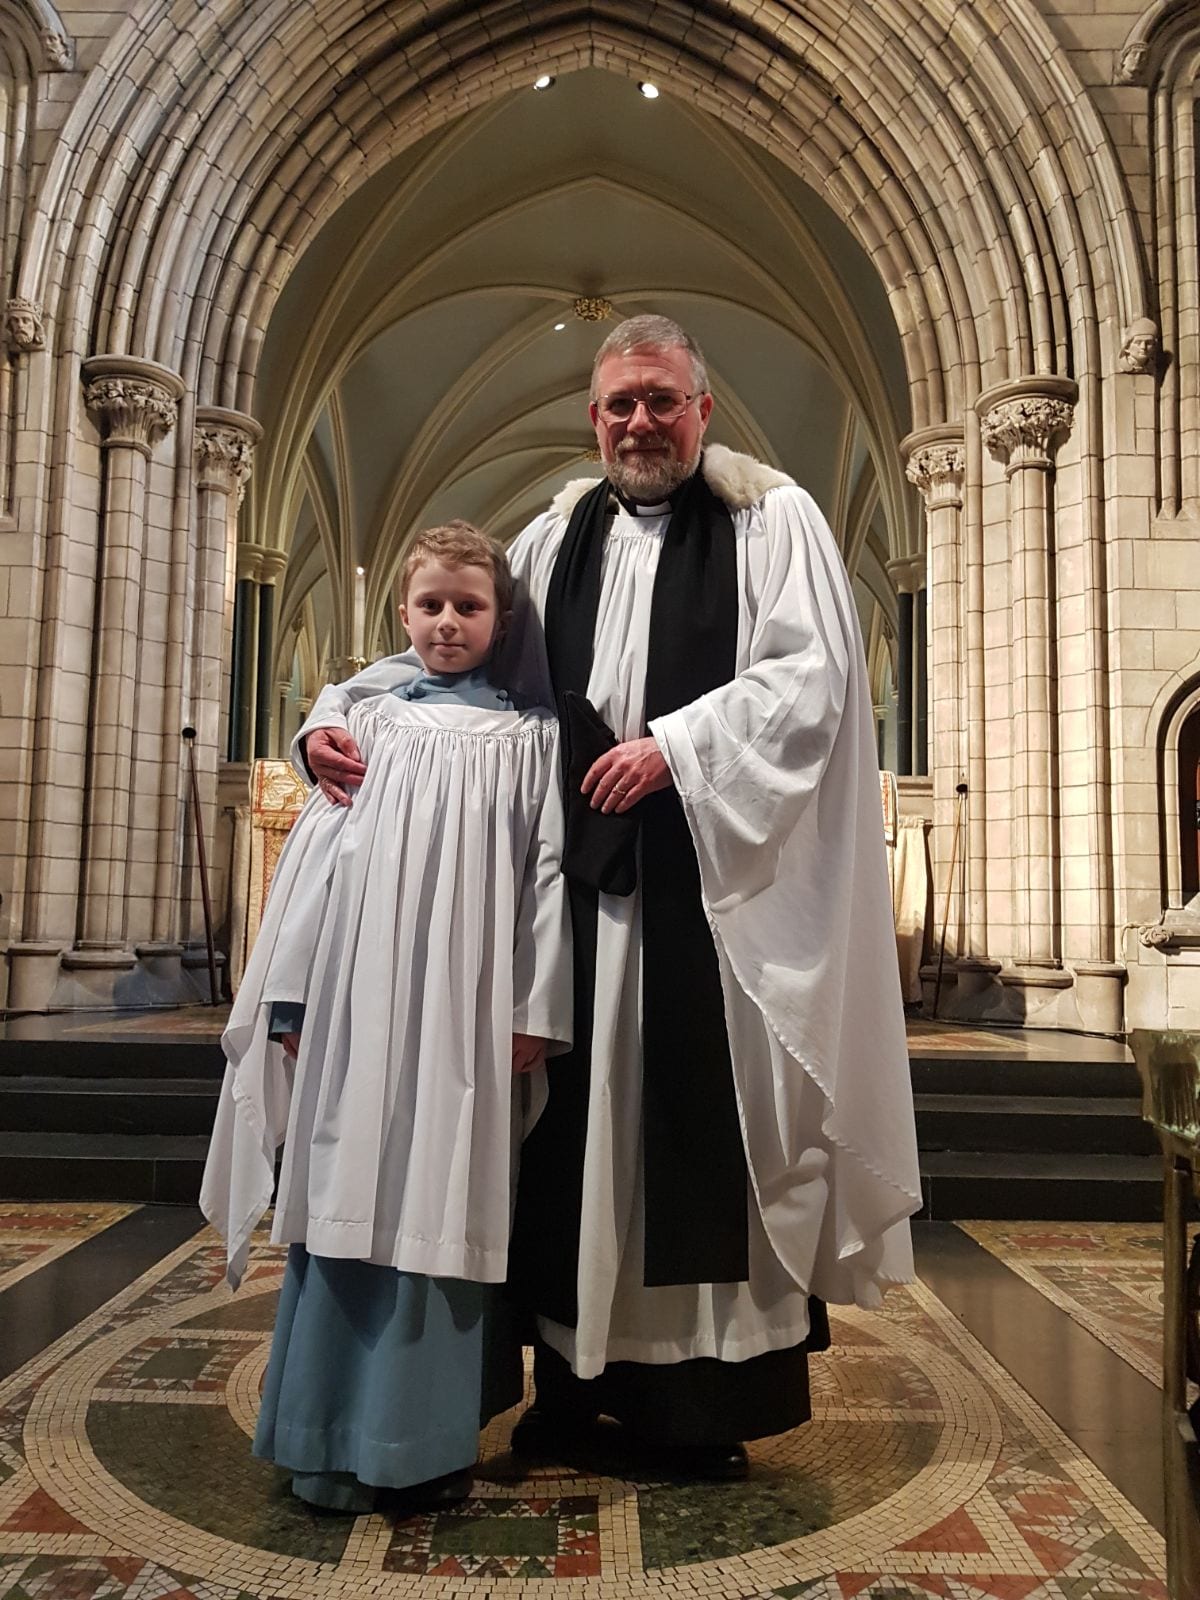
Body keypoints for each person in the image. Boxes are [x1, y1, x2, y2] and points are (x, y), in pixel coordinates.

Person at [297, 315, 921, 1482]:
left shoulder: (769, 521)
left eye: (663, 400)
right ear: (594, 416)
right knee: (567, 1147)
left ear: (703, 408)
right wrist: (325, 716)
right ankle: (572, 1394)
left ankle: (695, 1409)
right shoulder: (548, 537)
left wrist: (676, 750)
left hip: (709, 895)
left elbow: (814, 681)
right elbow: (454, 646)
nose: (641, 421)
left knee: (694, 1142)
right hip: (574, 906)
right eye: (621, 402)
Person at [201, 522, 571, 1513]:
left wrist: (536, 1006)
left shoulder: (533, 738)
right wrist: (290, 995)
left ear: (502, 617)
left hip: (467, 1015)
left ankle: (423, 1442)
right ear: (402, 613)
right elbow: (315, 871)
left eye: (469, 605)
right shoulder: (364, 721)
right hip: (361, 1010)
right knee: (348, 1186)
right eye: (431, 605)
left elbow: (545, 878)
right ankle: (322, 1435)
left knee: (447, 1199)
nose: (448, 623)